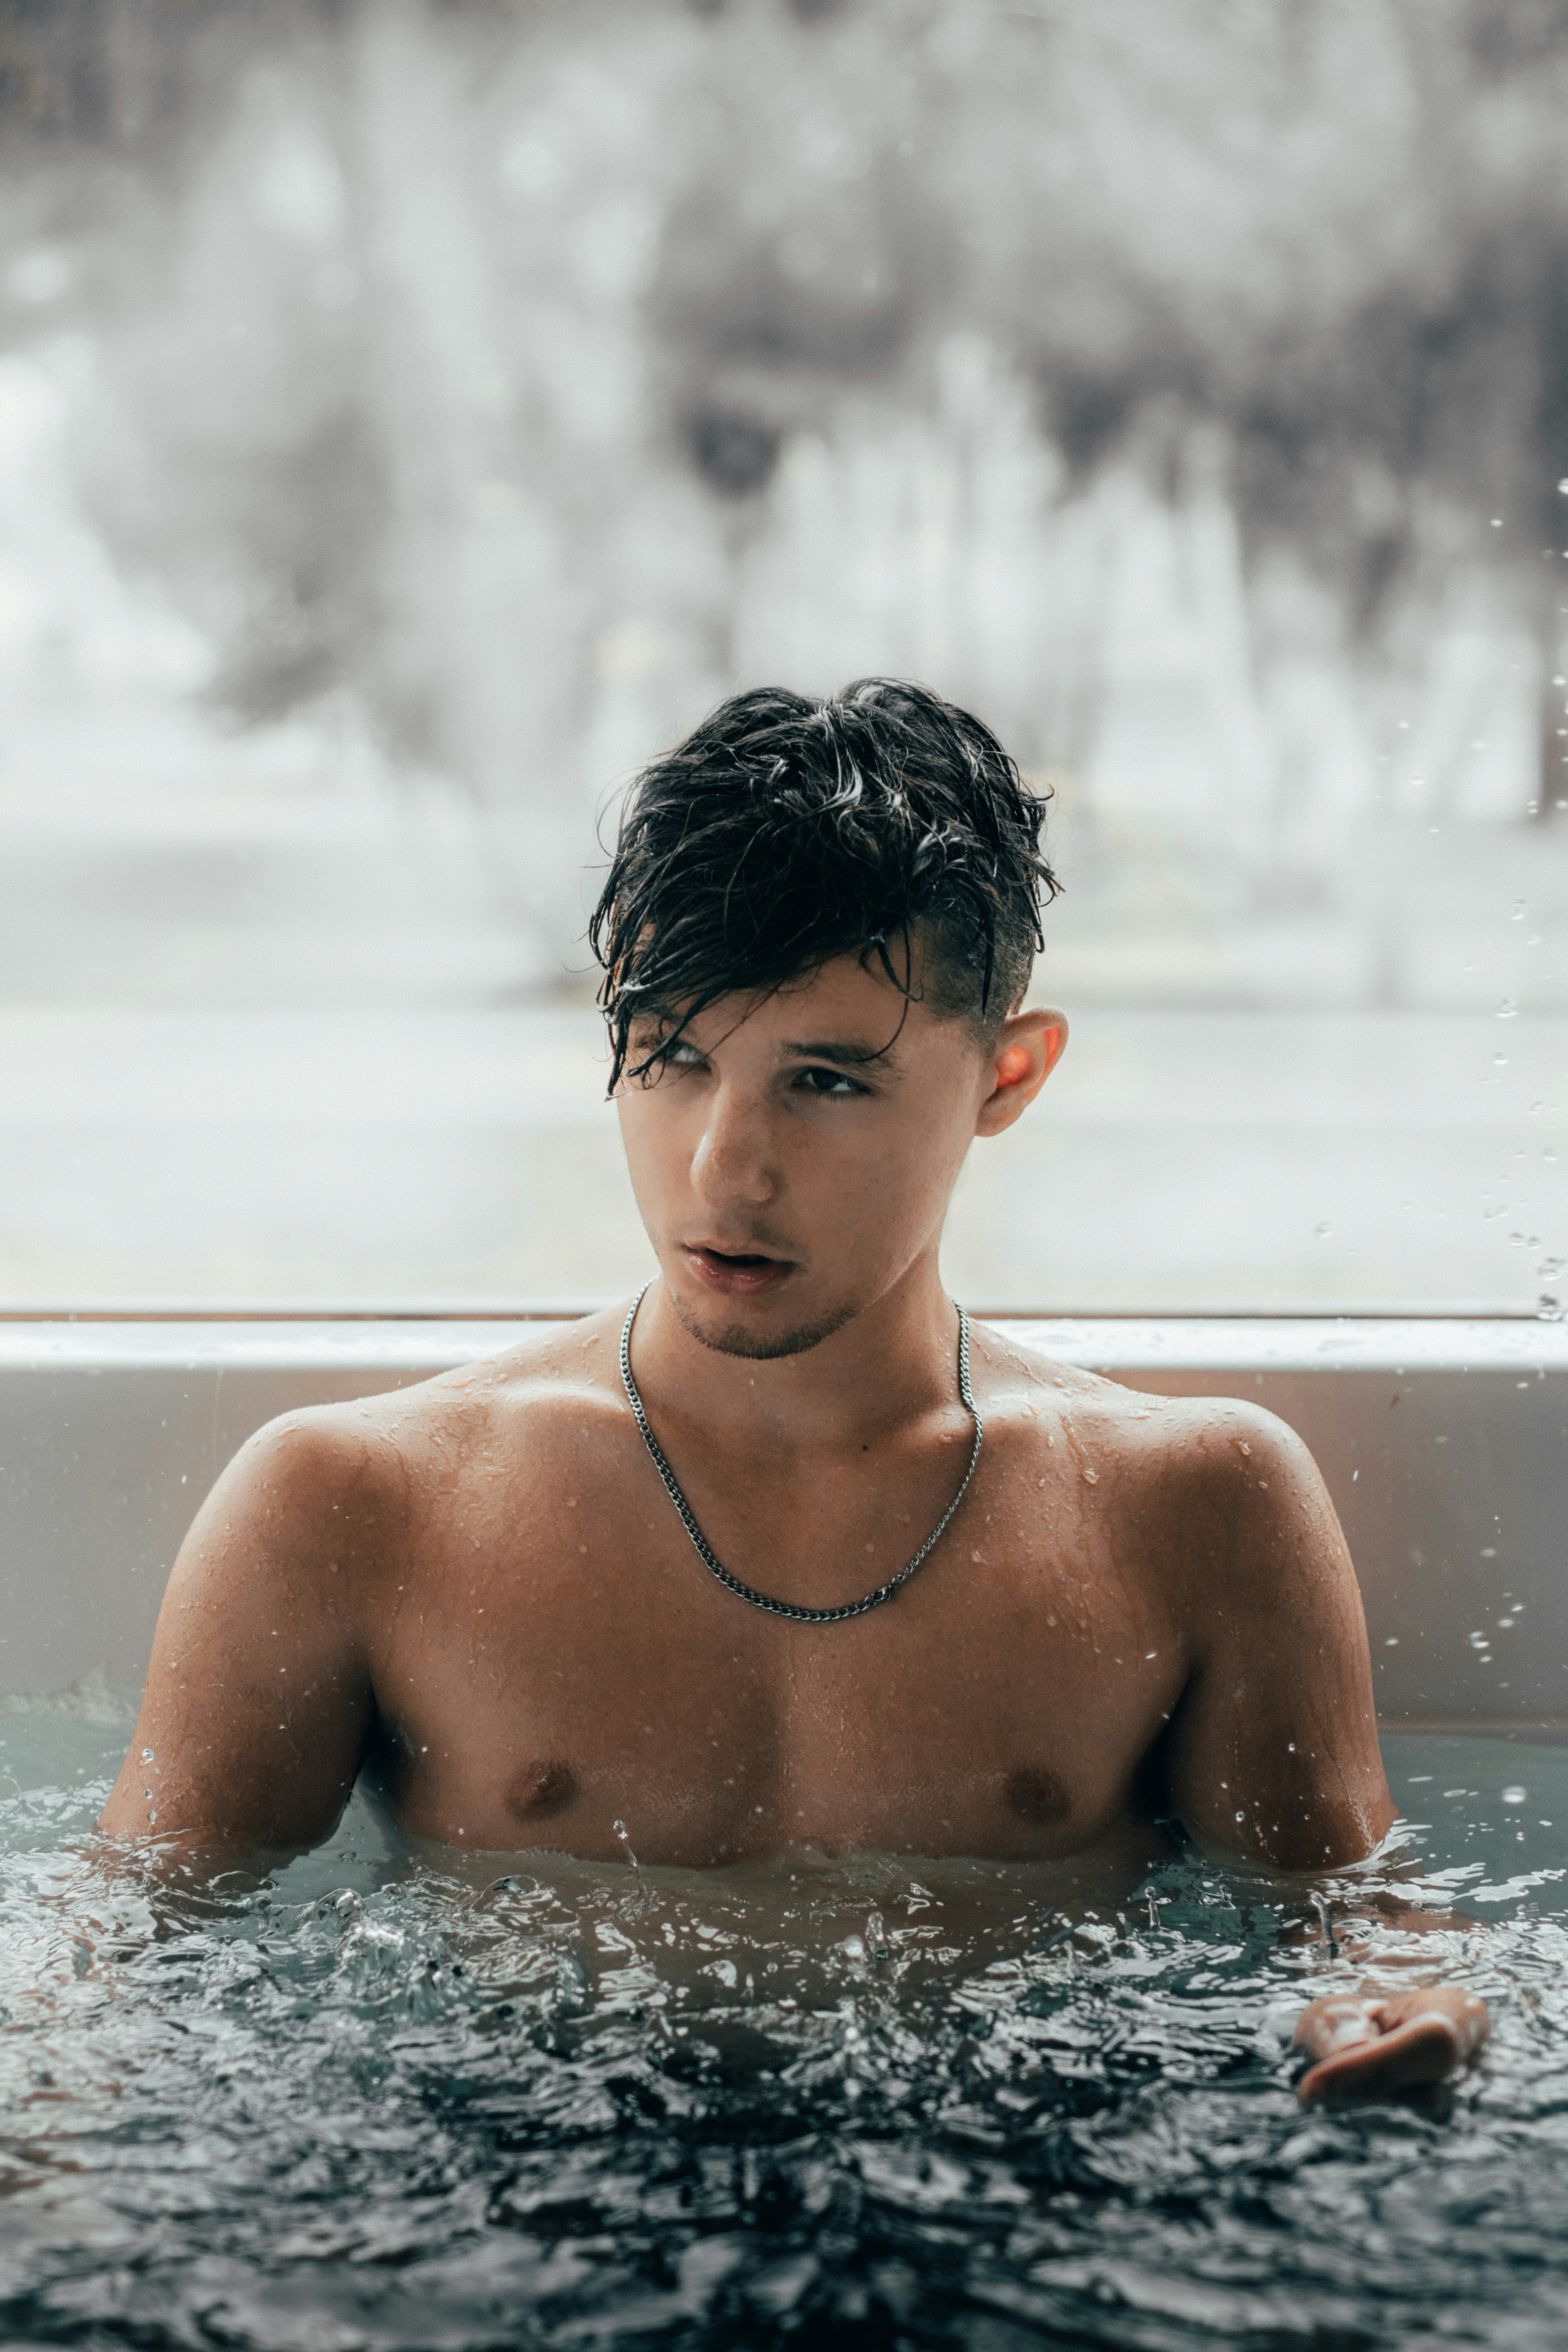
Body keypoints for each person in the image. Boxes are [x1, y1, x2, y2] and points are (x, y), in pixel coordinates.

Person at [101, 678, 1486, 2103]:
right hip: (519, 2193)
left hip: (1023, 2191)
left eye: (824, 1080)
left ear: (1008, 1074)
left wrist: (1389, 2005)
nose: (723, 1168)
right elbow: (120, 1959)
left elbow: (1347, 1910)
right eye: (674, 1057)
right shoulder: (357, 1504)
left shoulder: (1195, 1507)